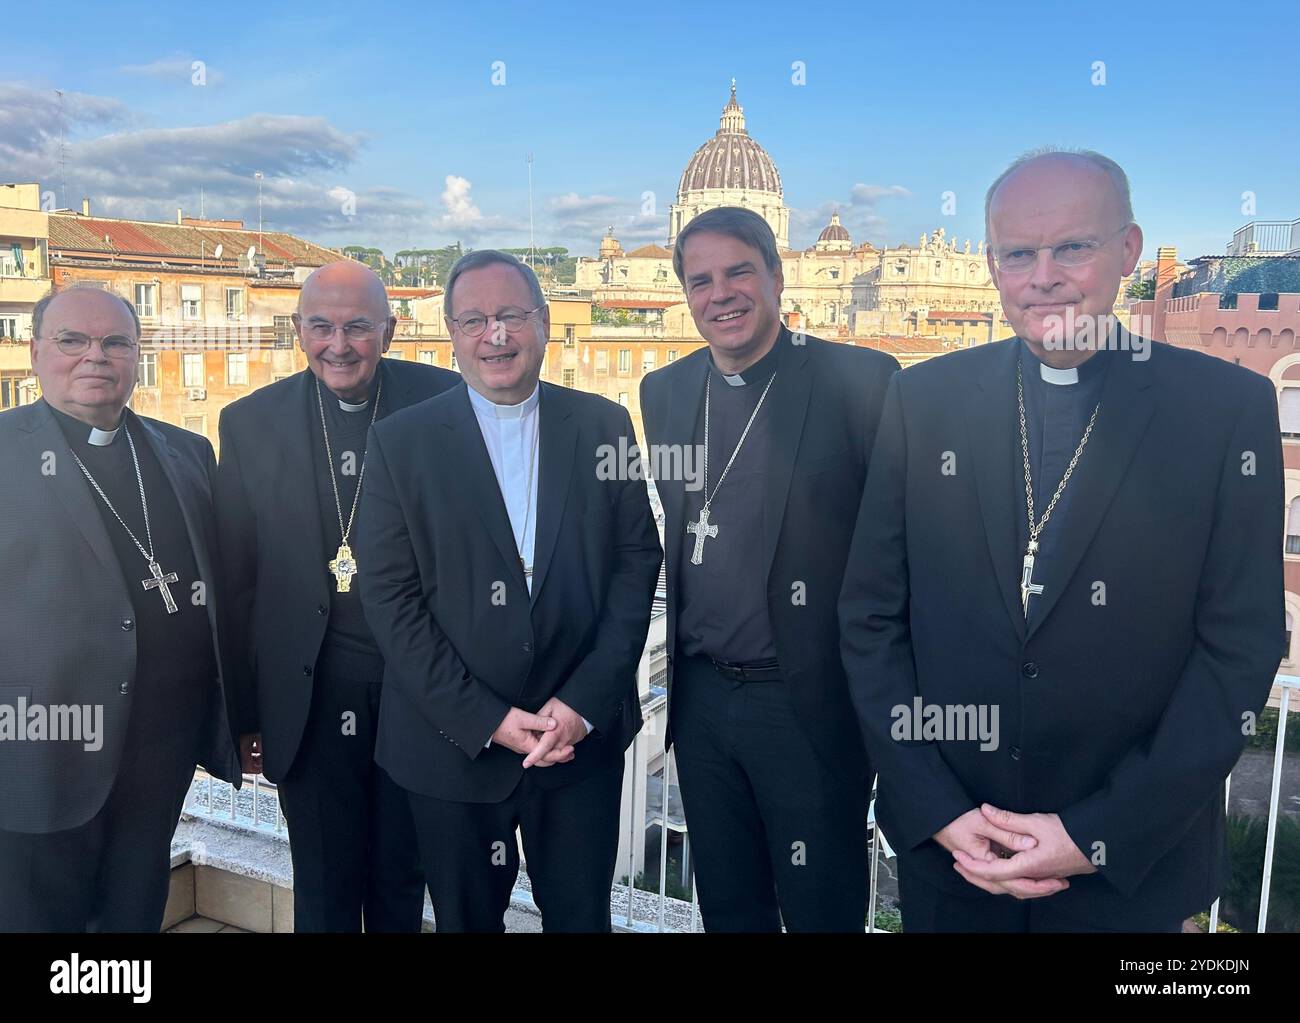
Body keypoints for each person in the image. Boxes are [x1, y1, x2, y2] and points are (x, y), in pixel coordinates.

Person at [840, 148, 1284, 932]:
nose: (1043, 275)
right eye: (1018, 253)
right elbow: (870, 618)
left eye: (1072, 246)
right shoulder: (922, 399)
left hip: (1130, 876)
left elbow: (1240, 648)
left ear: (1128, 251)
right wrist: (936, 806)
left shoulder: (1225, 411)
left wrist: (1095, 834)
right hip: (957, 862)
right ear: (993, 264)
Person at [355, 250, 660, 932]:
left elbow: (637, 563)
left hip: (576, 742)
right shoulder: (398, 444)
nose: (495, 334)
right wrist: (485, 717)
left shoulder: (603, 425)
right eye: (475, 319)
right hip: (451, 745)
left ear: (545, 323)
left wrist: (583, 702)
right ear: (451, 332)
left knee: (582, 919)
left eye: (511, 315)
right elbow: (389, 598)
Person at [639, 207, 899, 931]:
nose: (719, 293)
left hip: (809, 706)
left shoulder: (862, 381)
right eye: (700, 280)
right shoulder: (662, 392)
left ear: (778, 276)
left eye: (738, 272)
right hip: (699, 702)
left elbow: (900, 553)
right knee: (728, 908)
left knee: (822, 910)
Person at [215, 261, 457, 931]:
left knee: (400, 882)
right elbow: (236, 587)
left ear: (391, 327)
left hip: (417, 694)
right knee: (321, 888)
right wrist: (244, 717)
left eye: (357, 326)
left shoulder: (445, 403)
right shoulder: (249, 423)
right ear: (297, 329)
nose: (338, 344)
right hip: (310, 696)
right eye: (320, 326)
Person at [0, 286, 241, 931]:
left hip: (158, 748)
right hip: (37, 748)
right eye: (72, 341)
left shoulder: (186, 452)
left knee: (133, 917)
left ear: (138, 356)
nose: (94, 357)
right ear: (34, 352)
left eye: (114, 343)